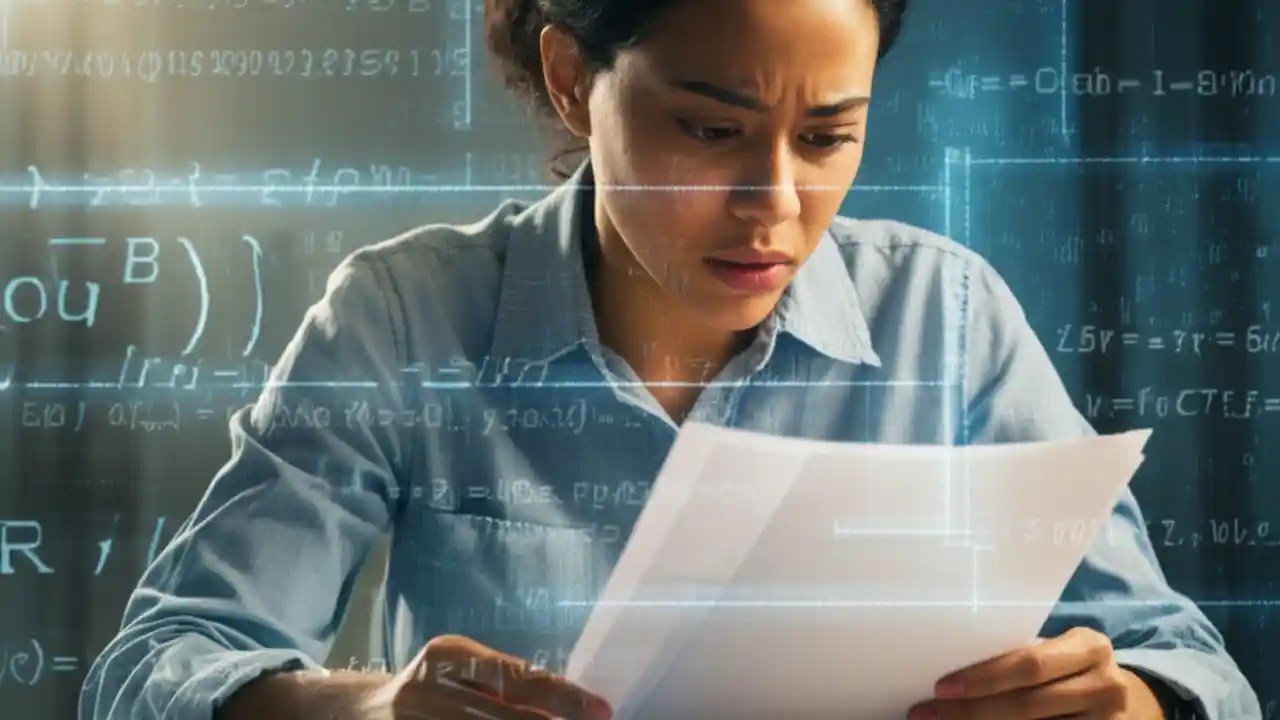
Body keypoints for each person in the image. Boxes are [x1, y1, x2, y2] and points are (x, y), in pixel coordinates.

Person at [81, 0, 1261, 718]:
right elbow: (151, 670)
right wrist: (372, 705)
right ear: (568, 79)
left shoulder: (945, 322)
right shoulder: (408, 318)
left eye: (827, 136)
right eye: (709, 131)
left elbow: (1187, 664)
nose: (774, 205)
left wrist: (1129, 703)